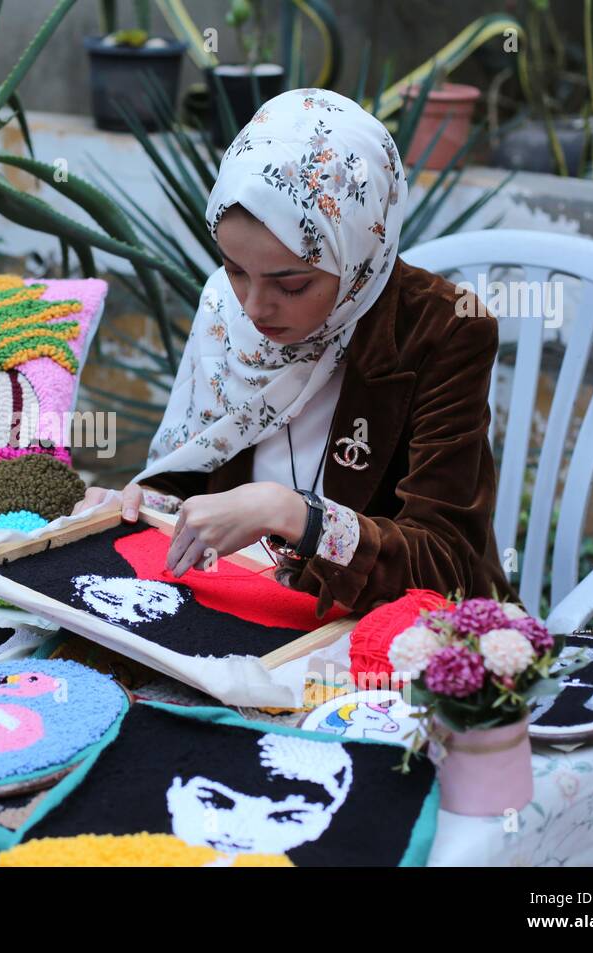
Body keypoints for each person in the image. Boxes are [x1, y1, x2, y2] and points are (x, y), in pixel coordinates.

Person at [74, 88, 511, 616]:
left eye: (293, 284)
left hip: (389, 636)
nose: (255, 308)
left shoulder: (441, 329)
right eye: (236, 270)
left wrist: (294, 515)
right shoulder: (224, 305)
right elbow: (188, 472)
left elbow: (446, 564)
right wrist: (138, 507)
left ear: (354, 256)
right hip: (245, 605)